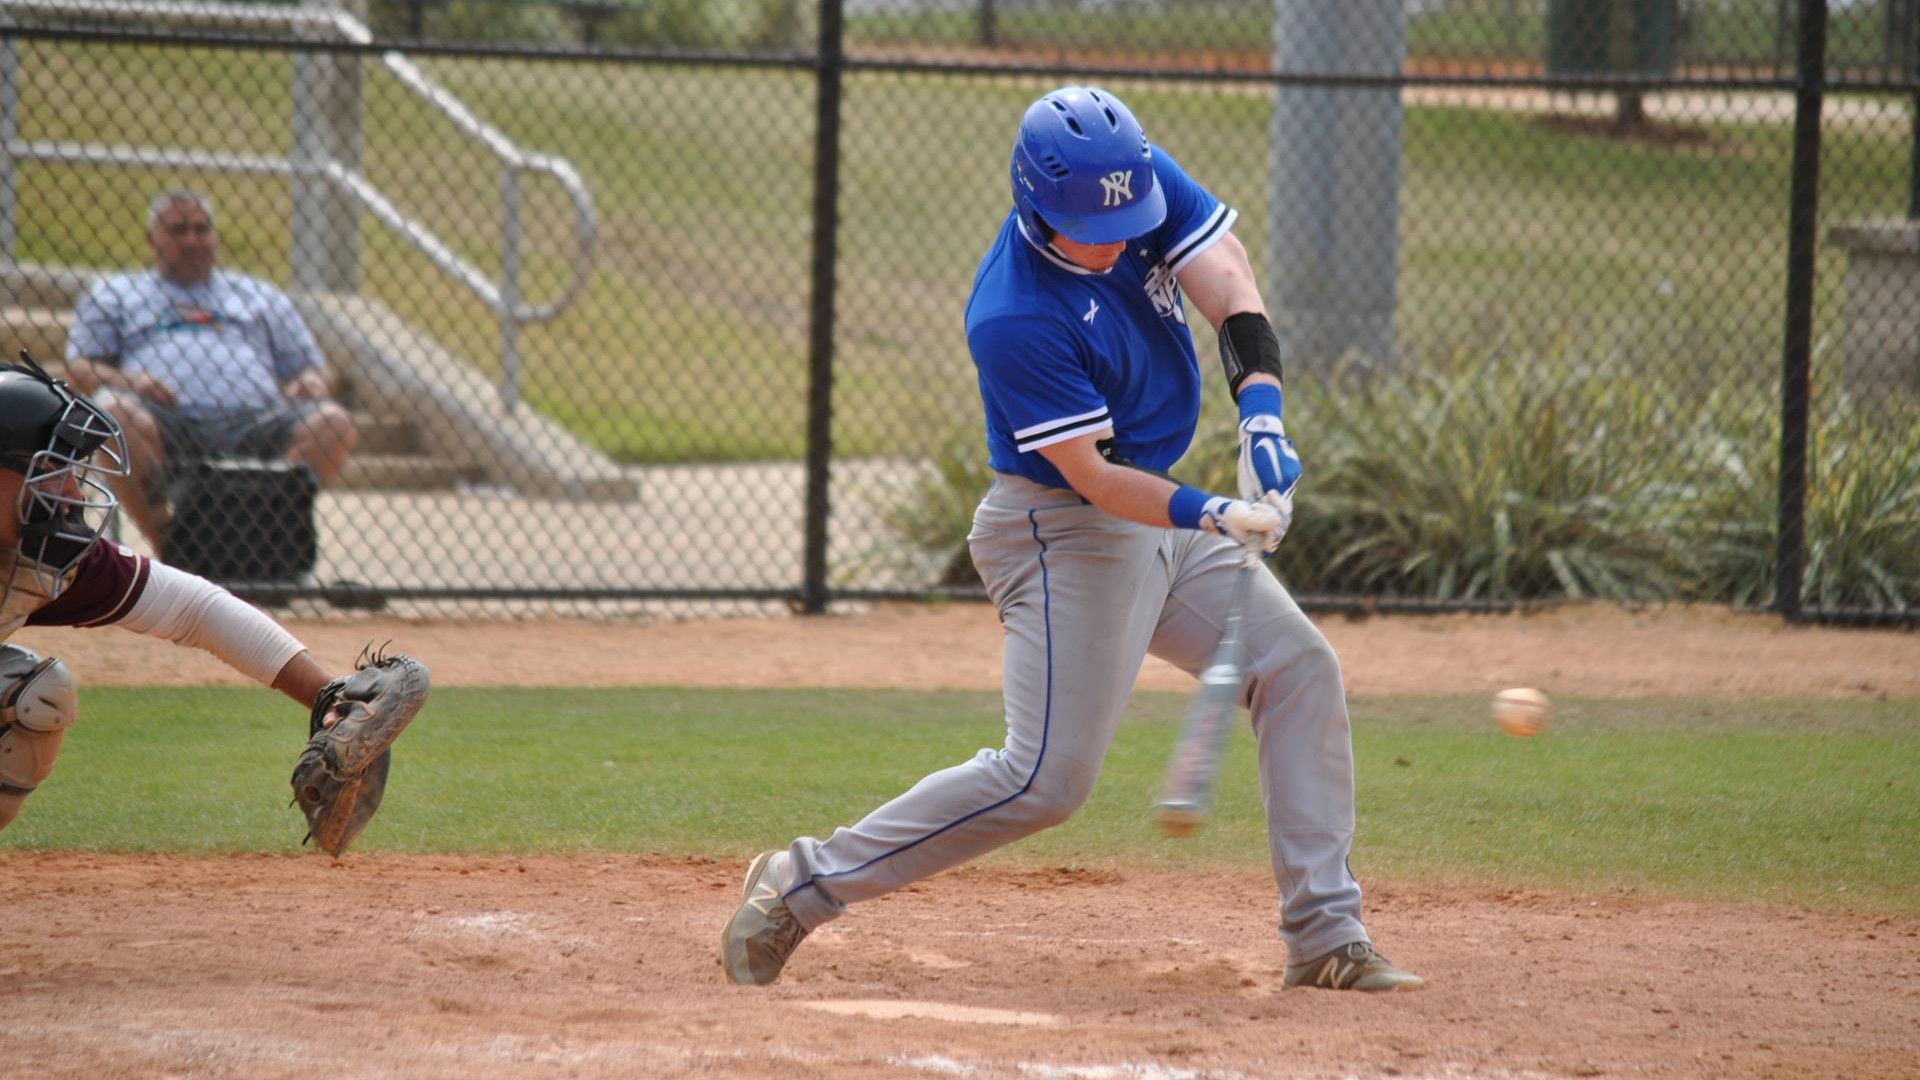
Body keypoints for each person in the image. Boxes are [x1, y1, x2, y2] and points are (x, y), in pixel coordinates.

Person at [721, 86, 1423, 993]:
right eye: (1091, 225)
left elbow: (1230, 282)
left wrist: (1262, 414)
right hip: (1066, 533)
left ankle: (1326, 935)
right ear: (1036, 207)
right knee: (1044, 782)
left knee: (1298, 669)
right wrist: (1211, 510)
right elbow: (1092, 478)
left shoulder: (1125, 180)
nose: (1115, 237)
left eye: (1124, 217)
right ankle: (799, 884)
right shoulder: (1013, 316)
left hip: (1160, 516)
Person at [0, 354, 410, 844]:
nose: (70, 491)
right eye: (48, 468)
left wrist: (329, 697)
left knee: (34, 697)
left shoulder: (43, 560)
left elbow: (195, 608)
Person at [62, 190, 357, 546]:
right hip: (167, 423)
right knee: (113, 412)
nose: (192, 239)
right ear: (151, 240)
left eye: (202, 229)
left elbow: (315, 369)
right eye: (178, 230)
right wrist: (132, 381)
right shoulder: (117, 292)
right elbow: (79, 368)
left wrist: (310, 381)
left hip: (256, 422)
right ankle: (173, 547)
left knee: (333, 423)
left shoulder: (258, 295)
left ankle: (269, 544)